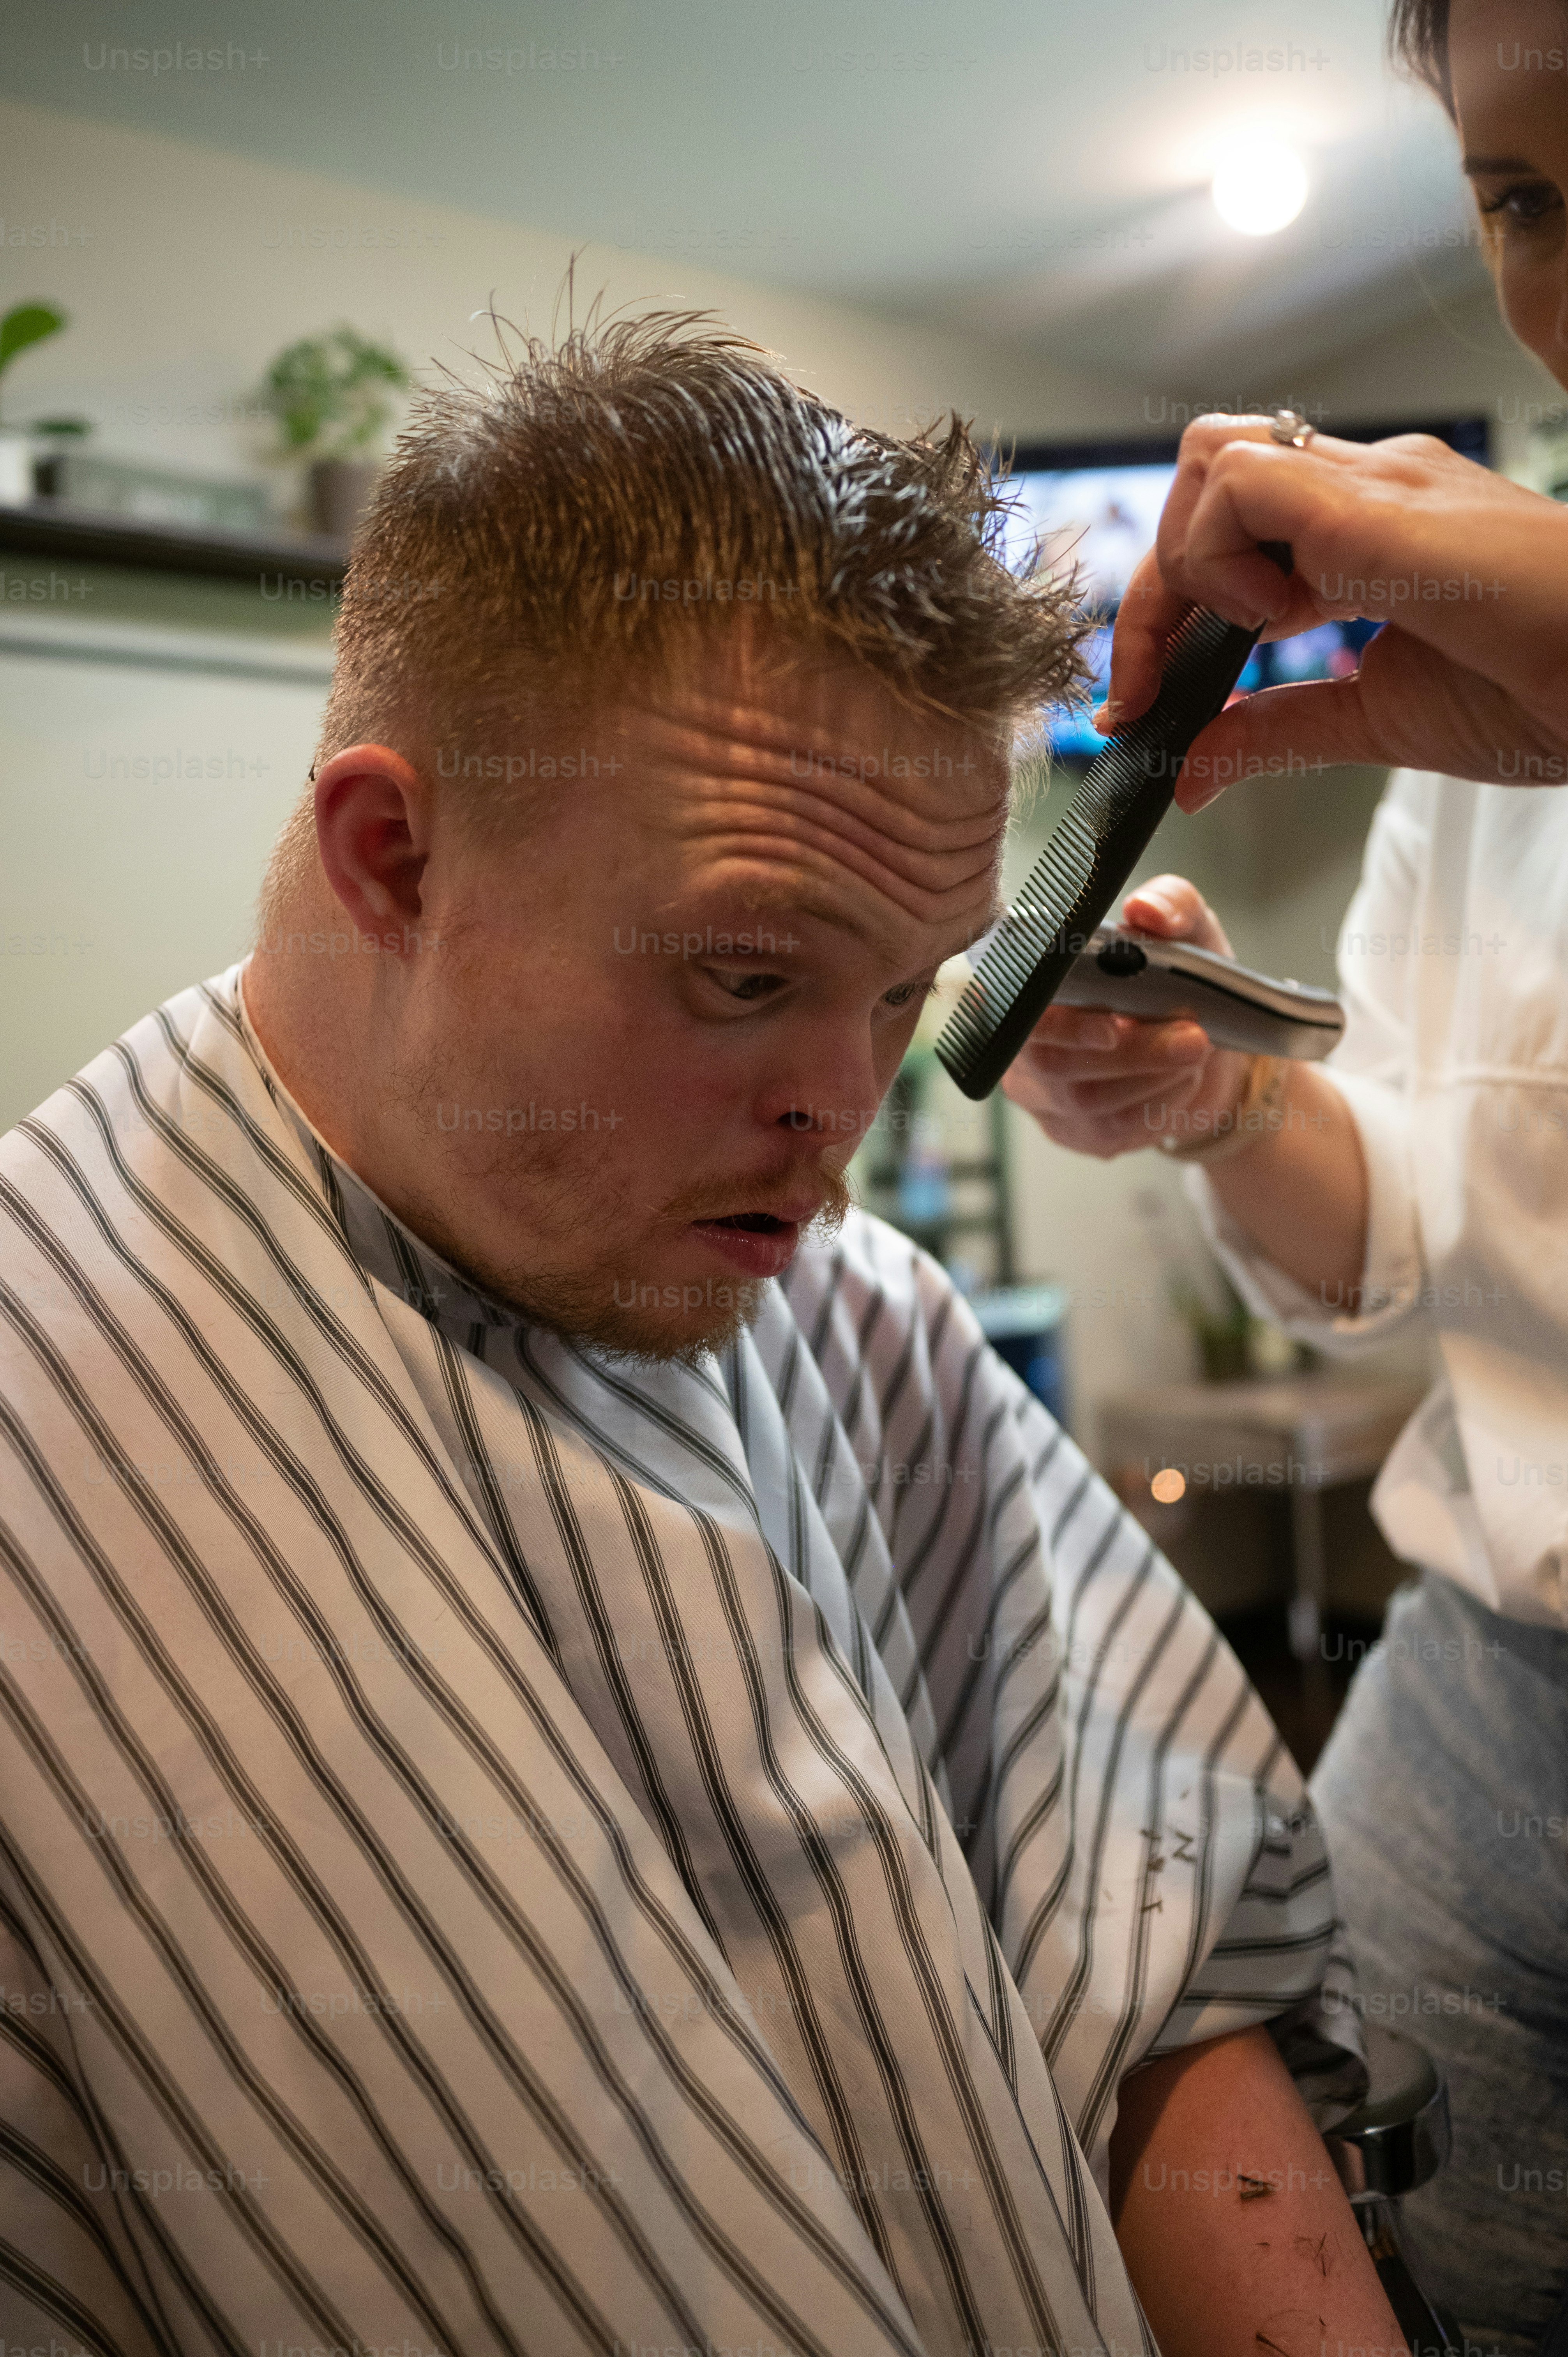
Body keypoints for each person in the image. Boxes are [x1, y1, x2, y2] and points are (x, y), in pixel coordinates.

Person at [0, 315, 1411, 2357]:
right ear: (389, 855)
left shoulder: (851, 1313)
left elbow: (1153, 1980)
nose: (839, 1113)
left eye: (901, 988)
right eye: (744, 976)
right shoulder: (54, 1419)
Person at [1003, 4, 1568, 2350]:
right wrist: (1227, 1099)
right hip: (1484, 1699)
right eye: (1526, 202)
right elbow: (1434, 1219)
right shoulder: (1486, 694)